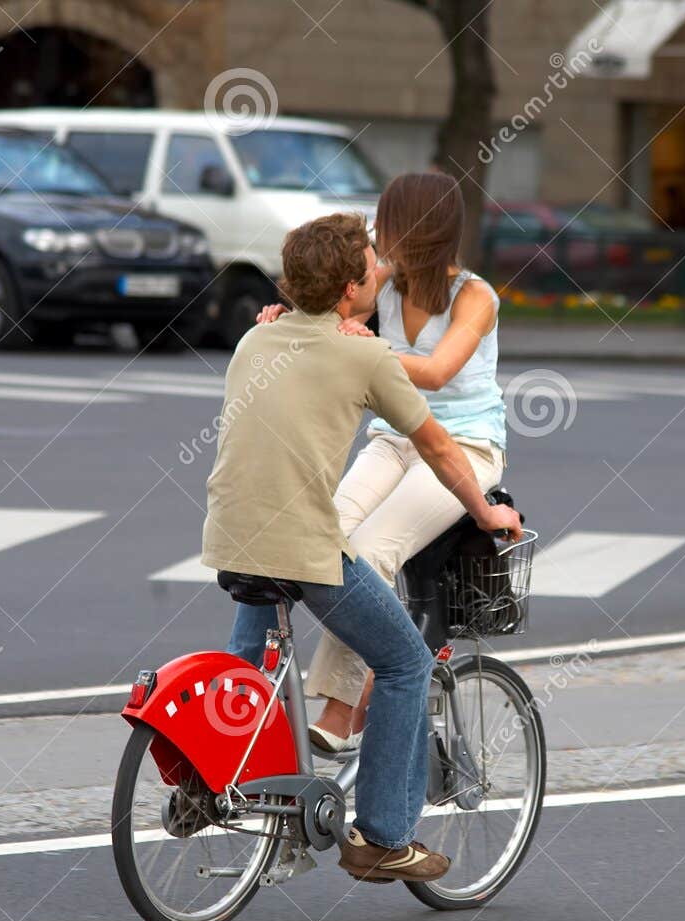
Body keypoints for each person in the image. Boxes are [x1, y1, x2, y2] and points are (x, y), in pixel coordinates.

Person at [202, 211, 521, 884]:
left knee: (247, 668)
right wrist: (486, 510)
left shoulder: (255, 339)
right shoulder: (363, 355)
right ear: (351, 289)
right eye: (372, 263)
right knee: (405, 664)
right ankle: (383, 837)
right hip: (304, 547)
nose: (382, 267)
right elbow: (439, 448)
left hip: (229, 538)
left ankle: (220, 763)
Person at [256, 172, 507, 757]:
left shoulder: (475, 296)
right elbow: (327, 310)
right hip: (396, 438)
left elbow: (438, 372)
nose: (377, 234)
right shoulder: (387, 281)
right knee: (324, 537)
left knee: (371, 553)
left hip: (464, 447)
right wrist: (285, 319)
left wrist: (369, 347)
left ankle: (342, 707)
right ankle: (267, 688)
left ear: (416, 228)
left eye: (386, 222)